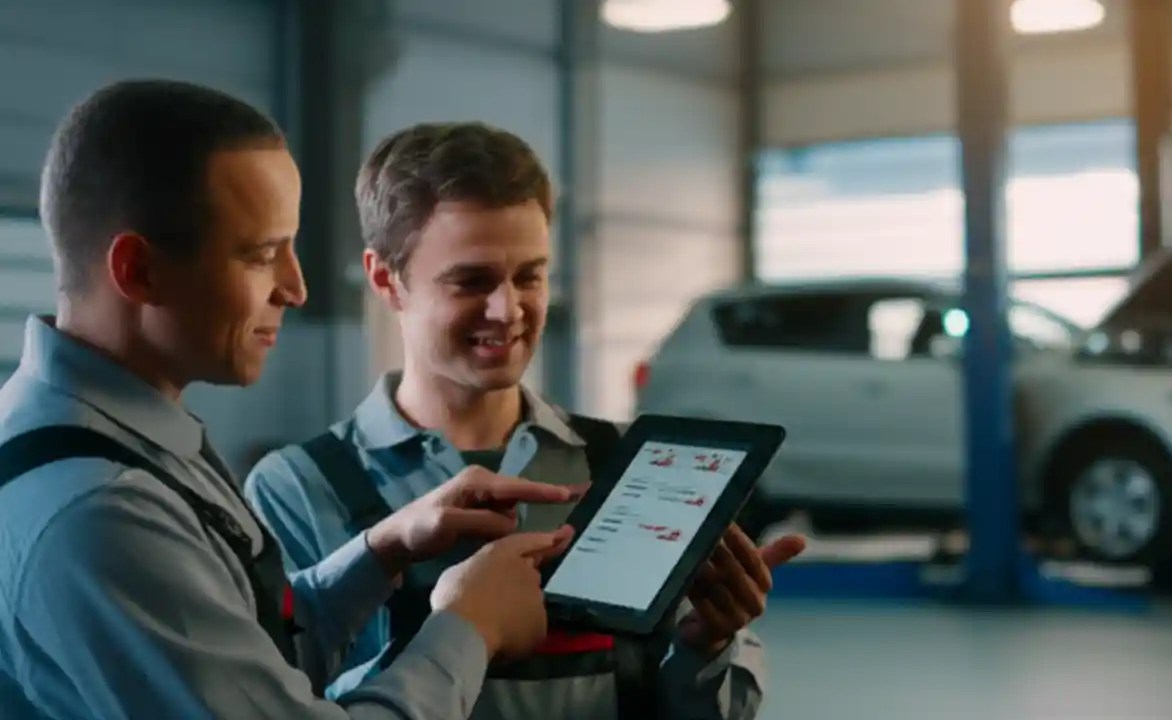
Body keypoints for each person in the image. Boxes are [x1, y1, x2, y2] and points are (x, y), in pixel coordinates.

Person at [0, 80, 583, 719]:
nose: (296, 288)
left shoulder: (123, 440)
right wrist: (468, 626)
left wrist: (381, 551)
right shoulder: (100, 508)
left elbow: (249, 649)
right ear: (138, 270)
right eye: (261, 255)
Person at [246, 121, 808, 719]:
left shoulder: (628, 466)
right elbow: (279, 703)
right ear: (386, 279)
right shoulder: (297, 489)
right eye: (471, 281)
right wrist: (459, 630)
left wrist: (707, 647)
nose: (508, 309)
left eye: (529, 276)